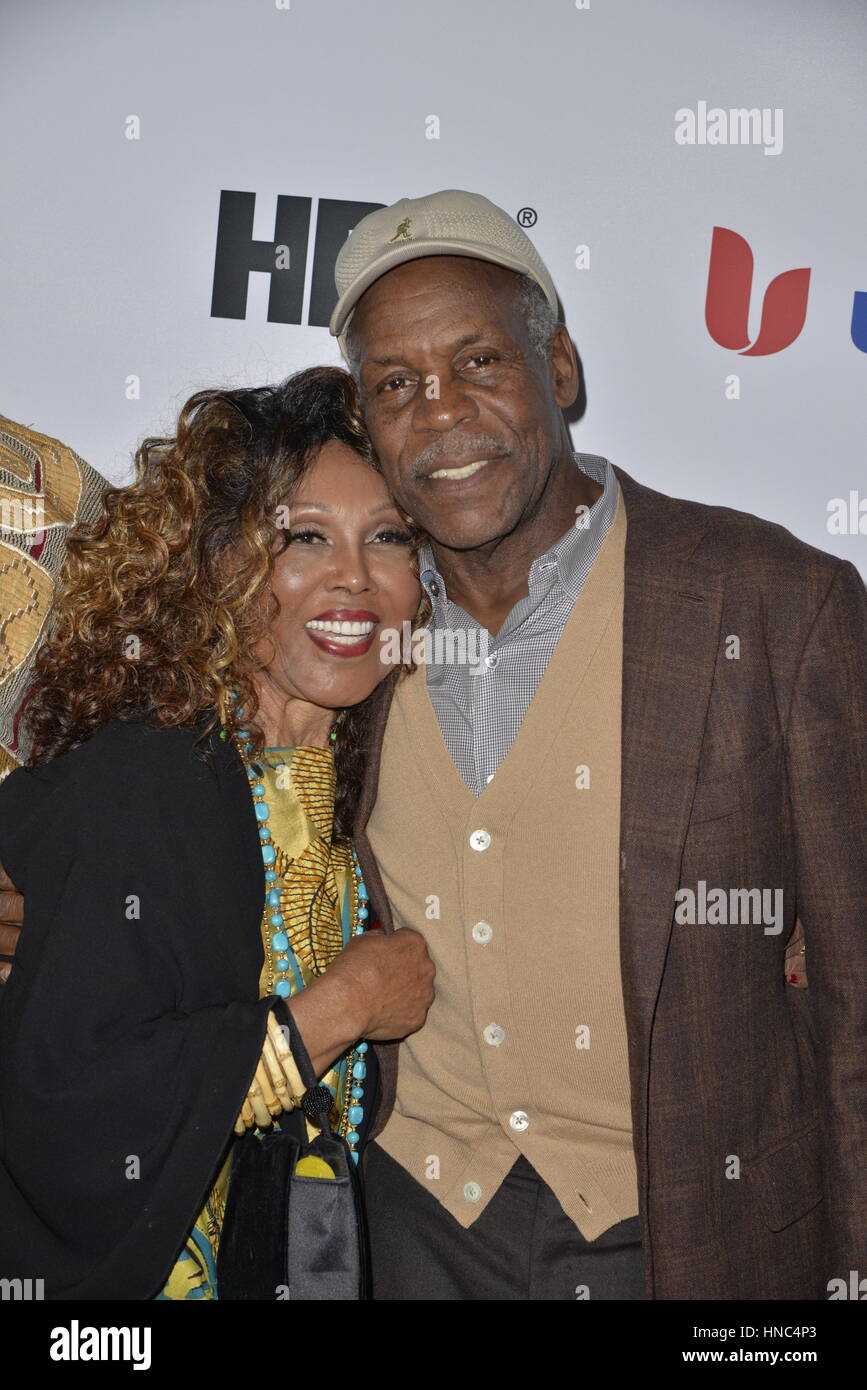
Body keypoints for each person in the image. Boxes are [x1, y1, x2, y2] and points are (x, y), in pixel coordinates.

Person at [326, 190, 866, 1300]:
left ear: (559, 368)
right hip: (418, 1226)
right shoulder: (345, 631)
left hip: (691, 1236)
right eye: (396, 385)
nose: (439, 413)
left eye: (479, 361)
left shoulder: (774, 602)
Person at [0, 366, 434, 1299]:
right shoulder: (142, 777)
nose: (354, 578)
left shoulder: (375, 786)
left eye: (389, 538)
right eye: (305, 537)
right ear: (219, 564)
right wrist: (342, 1010)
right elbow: (70, 1109)